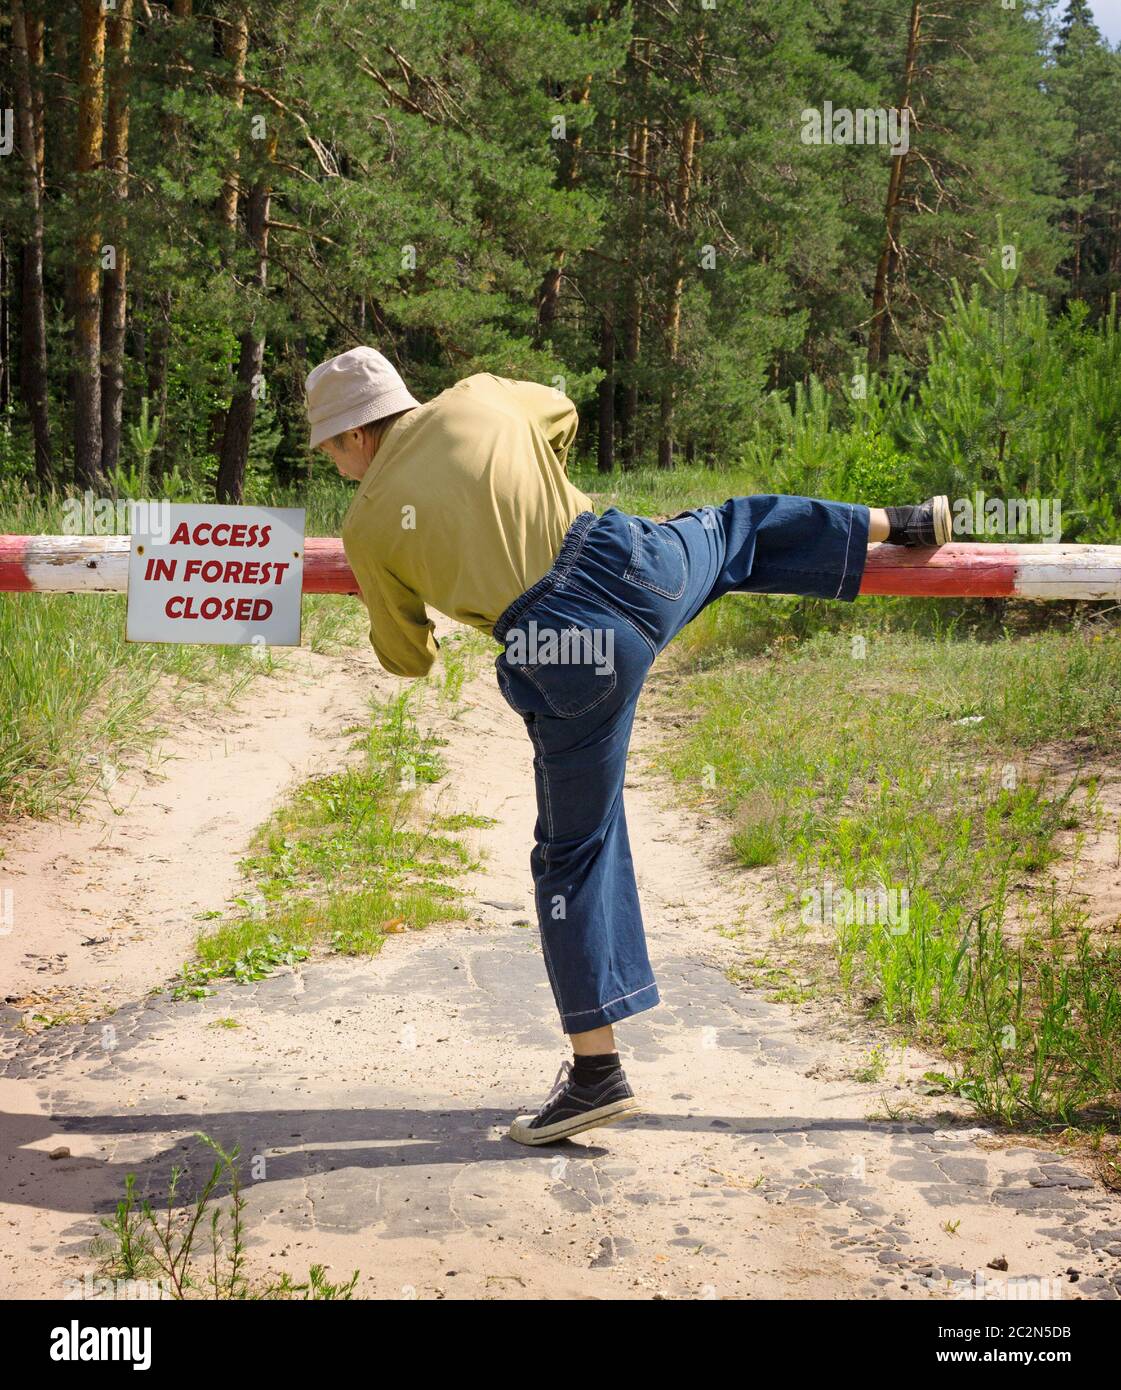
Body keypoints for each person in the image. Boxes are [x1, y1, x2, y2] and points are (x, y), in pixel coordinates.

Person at [305, 346, 951, 1146]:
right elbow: (562, 415)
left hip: (560, 648)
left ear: (355, 437)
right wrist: (539, 488)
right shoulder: (478, 398)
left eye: (329, 447)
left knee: (574, 853)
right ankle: (902, 523)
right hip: (632, 561)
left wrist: (417, 590)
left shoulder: (367, 522)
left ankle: (595, 1075)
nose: (334, 463)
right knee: (733, 527)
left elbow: (409, 660)